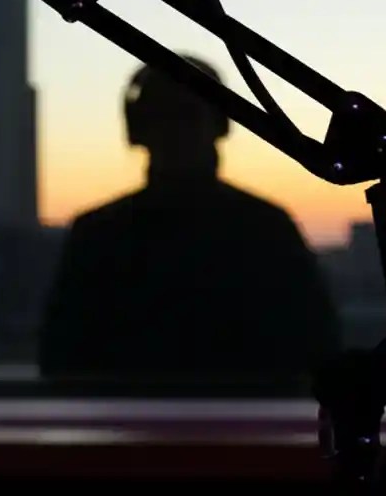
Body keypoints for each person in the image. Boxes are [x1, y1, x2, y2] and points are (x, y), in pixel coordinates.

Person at [38, 56, 341, 396]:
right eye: (166, 117)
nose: (177, 131)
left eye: (186, 115)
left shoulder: (97, 232)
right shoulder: (266, 226)